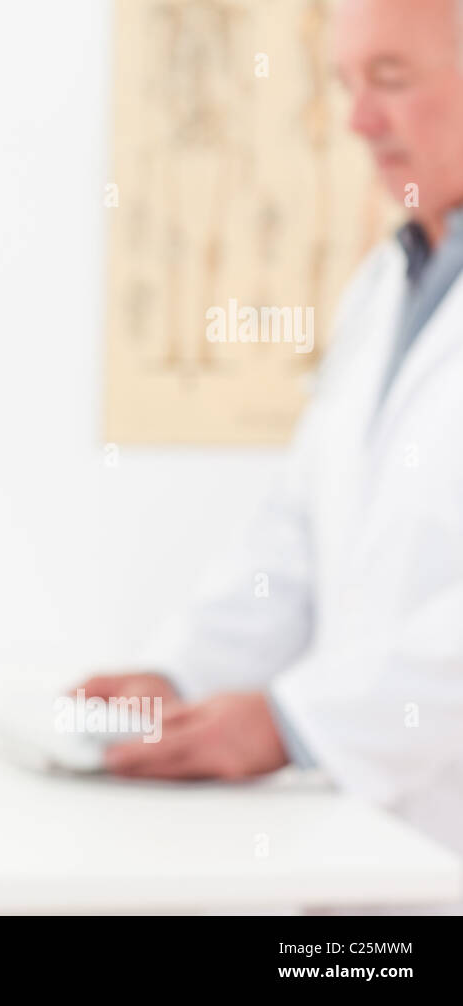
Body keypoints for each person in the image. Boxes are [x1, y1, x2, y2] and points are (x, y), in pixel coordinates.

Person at [80, 0, 463, 912]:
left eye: (392, 81)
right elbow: (293, 540)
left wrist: (293, 723)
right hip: (368, 840)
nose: (359, 120)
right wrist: (179, 678)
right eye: (348, 84)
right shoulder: (387, 285)